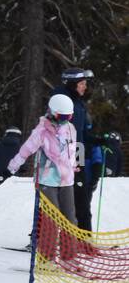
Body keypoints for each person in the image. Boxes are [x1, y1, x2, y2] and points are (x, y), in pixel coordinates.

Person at [0, 94, 79, 257]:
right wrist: (8, 171)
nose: (65, 120)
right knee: (52, 221)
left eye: (68, 116)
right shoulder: (41, 131)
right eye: (62, 117)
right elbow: (24, 152)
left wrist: (77, 166)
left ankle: (69, 257)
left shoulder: (71, 128)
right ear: (53, 113)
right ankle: (47, 259)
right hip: (47, 180)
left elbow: (75, 148)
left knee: (70, 219)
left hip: (67, 180)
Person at [54, 68, 102, 231]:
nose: (84, 87)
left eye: (85, 84)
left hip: (78, 152)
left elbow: (82, 134)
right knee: (56, 199)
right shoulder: (61, 103)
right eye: (81, 84)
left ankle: (85, 239)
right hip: (62, 155)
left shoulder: (79, 104)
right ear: (72, 84)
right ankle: (40, 238)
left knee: (81, 198)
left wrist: (100, 141)